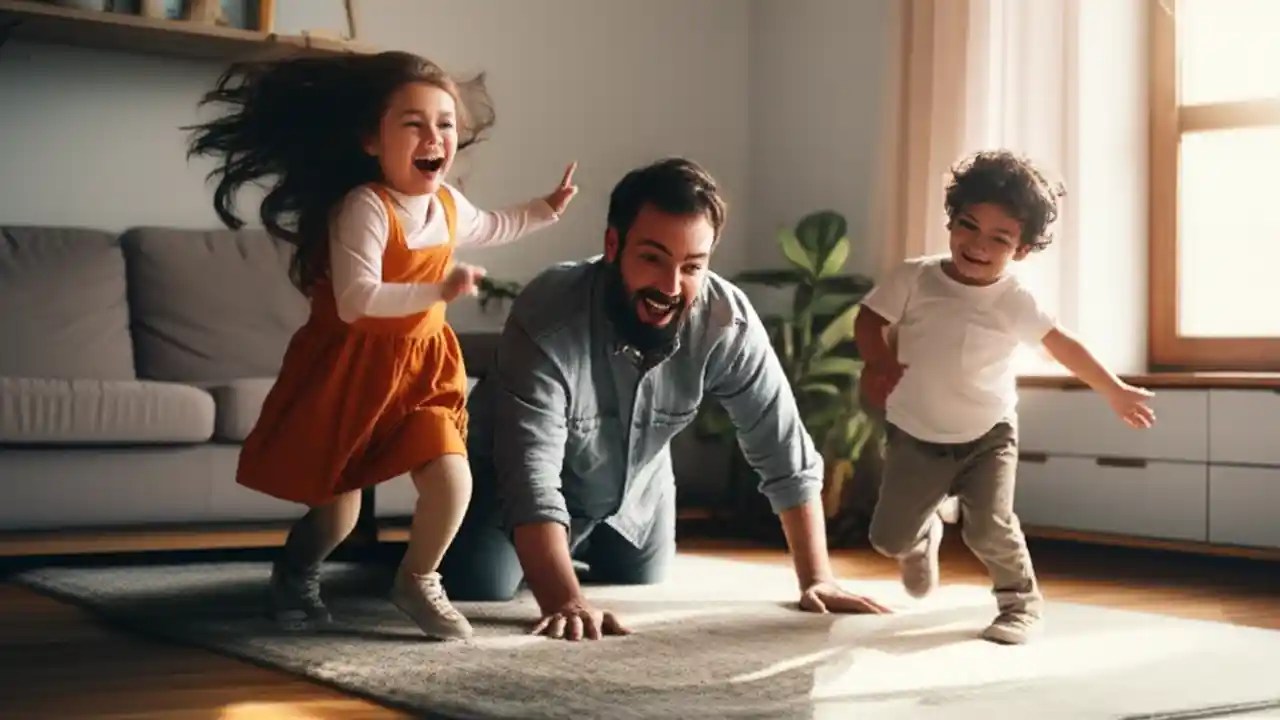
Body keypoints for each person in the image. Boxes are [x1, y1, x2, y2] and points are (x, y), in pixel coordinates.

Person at [185, 51, 577, 640]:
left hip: (422, 372)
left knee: (453, 476)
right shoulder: (364, 209)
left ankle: (417, 578)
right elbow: (356, 300)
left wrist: (544, 210)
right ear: (373, 139)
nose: (434, 136)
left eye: (445, 123)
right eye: (413, 123)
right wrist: (436, 288)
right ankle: (295, 572)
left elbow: (493, 225)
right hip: (353, 369)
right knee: (339, 512)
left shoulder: (447, 206)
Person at [439, 156, 893, 641]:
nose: (671, 287)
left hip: (636, 497)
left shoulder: (725, 321)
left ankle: (554, 558)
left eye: (692, 266)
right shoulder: (550, 315)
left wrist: (817, 577)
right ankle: (530, 558)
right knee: (478, 587)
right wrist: (564, 599)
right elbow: (529, 476)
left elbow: (782, 445)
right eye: (653, 258)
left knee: (641, 583)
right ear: (613, 245)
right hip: (502, 491)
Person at [854, 149, 1157, 645]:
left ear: (1021, 250)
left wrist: (1114, 390)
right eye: (969, 226)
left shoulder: (1015, 300)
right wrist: (878, 361)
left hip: (987, 435)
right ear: (951, 220)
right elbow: (870, 319)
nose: (978, 245)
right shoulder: (915, 277)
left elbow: (1062, 345)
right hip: (915, 431)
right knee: (886, 538)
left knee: (988, 526)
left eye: (1000, 238)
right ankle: (923, 537)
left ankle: (1020, 603)